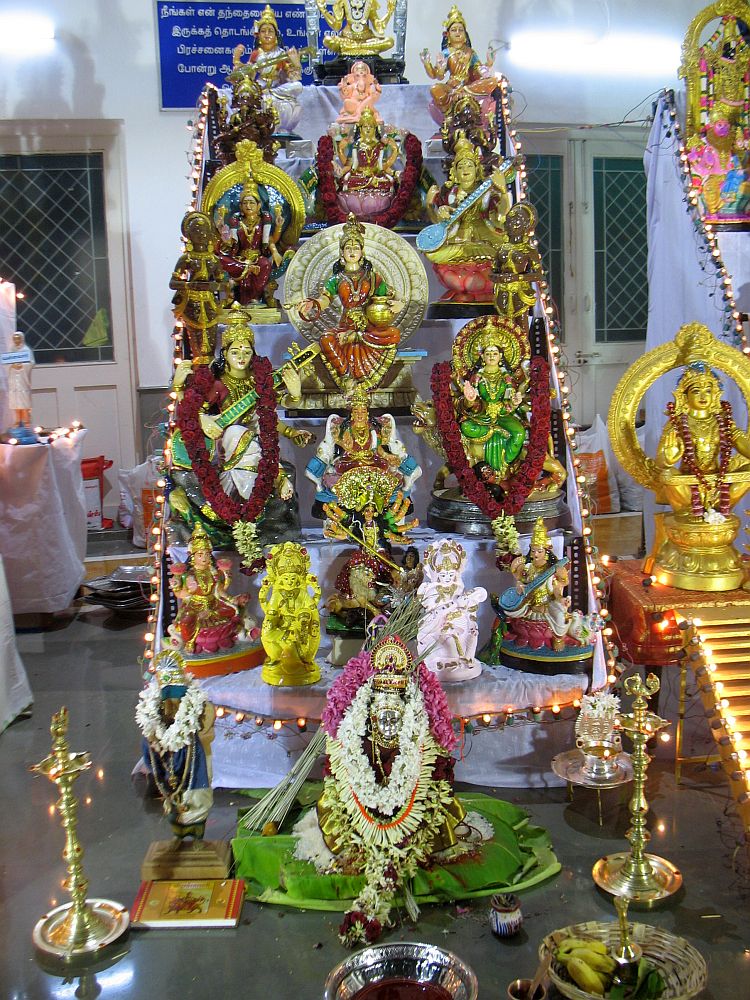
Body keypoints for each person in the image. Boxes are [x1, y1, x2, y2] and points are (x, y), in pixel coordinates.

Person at [296, 213, 403, 385]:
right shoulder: (336, 279)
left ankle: (356, 338)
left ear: (362, 252)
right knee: (325, 338)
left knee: (394, 333)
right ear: (342, 252)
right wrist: (313, 304)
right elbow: (325, 299)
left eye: (356, 248)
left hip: (368, 327)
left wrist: (398, 304)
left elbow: (387, 299)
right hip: (345, 325)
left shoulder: (374, 277)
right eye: (348, 248)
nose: (352, 251)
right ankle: (346, 375)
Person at [656, 361, 750, 516]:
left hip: (719, 482)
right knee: (667, 474)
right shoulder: (677, 423)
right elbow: (660, 462)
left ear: (715, 395)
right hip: (688, 482)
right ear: (684, 396)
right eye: (696, 391)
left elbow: (741, 442)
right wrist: (668, 457)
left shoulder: (723, 421)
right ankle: (689, 510)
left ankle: (719, 508)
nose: (703, 396)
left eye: (708, 391)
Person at [416, 538, 486, 681]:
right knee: (448, 636)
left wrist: (469, 608)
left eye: (451, 574)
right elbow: (435, 612)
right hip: (436, 624)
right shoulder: (430, 589)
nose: (447, 578)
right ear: (436, 574)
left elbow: (465, 604)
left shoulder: (457, 586)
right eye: (443, 575)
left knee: (472, 631)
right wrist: (455, 604)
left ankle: (467, 659)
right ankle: (451, 661)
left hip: (457, 621)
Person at [420, 5, 499, 127]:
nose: (458, 33)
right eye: (454, 30)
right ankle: (449, 113)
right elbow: (438, 76)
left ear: (465, 34)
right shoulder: (446, 53)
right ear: (448, 35)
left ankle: (463, 95)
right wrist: (427, 64)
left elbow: (478, 72)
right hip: (451, 86)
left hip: (468, 86)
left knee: (493, 81)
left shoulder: (471, 53)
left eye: (460, 30)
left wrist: (489, 63)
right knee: (435, 89)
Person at [459, 339, 526, 478]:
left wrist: (514, 403)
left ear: (501, 356)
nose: (491, 356)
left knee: (519, 433)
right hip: (481, 415)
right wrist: (470, 400)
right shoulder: (477, 378)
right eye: (488, 353)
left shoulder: (507, 378)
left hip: (503, 415)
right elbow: (470, 403)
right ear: (482, 356)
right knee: (465, 427)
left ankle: (504, 466)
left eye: (495, 353)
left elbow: (510, 400)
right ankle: (493, 430)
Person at [232, 6, 303, 134]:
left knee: (298, 86)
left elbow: (294, 78)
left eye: (270, 31)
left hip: (277, 89)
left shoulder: (281, 54)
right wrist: (237, 60)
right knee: (248, 92)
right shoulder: (256, 54)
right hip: (260, 87)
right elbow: (248, 76)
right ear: (258, 36)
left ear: (276, 36)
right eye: (263, 31)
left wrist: (296, 64)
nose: (267, 34)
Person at [217, 180, 282, 308]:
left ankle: (254, 298)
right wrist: (221, 230)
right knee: (220, 259)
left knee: (264, 264)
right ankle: (239, 298)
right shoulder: (237, 221)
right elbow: (231, 243)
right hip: (240, 258)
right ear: (241, 206)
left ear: (258, 206)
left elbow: (270, 240)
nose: (248, 206)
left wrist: (278, 228)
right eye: (245, 203)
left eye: (252, 202)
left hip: (257, 257)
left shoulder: (263, 220)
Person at [337, 108, 398, 197]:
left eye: (371, 126)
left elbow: (383, 167)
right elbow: (350, 166)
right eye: (365, 126)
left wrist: (395, 151)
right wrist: (340, 151)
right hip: (359, 176)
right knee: (347, 182)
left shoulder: (379, 145)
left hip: (376, 176)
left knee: (388, 183)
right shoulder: (356, 145)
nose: (368, 129)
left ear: (375, 128)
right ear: (360, 129)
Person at [7, 331, 34, 426]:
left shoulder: (26, 350)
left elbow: (31, 363)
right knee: (15, 400)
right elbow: (7, 363)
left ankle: (26, 421)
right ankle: (17, 420)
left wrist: (22, 365)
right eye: (15, 338)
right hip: (14, 379)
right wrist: (12, 365)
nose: (16, 340)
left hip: (23, 378)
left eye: (18, 338)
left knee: (24, 400)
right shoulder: (11, 350)